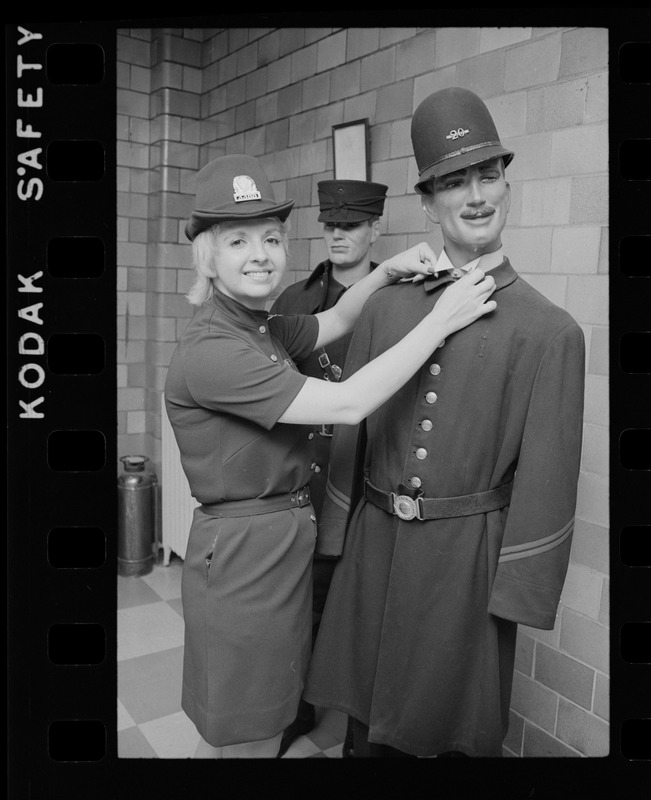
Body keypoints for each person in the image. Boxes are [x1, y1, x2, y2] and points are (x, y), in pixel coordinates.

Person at [163, 153, 498, 758]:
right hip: (243, 562)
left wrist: (388, 269)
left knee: (263, 723)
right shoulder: (212, 350)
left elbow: (340, 317)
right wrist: (441, 321)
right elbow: (347, 404)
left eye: (270, 238)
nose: (260, 254)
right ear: (207, 257)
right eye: (238, 241)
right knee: (249, 736)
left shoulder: (257, 327)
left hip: (278, 547)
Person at [304, 87, 586, 758]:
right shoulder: (385, 309)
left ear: (507, 188)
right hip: (375, 552)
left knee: (449, 737)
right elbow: (354, 432)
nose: (476, 195)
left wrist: (518, 592)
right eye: (454, 183)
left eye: (489, 176)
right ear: (428, 202)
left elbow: (548, 482)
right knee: (364, 733)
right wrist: (338, 533)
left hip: (468, 570)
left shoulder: (550, 332)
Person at [270, 179, 388, 755]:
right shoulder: (294, 300)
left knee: (351, 613)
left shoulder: (396, 299)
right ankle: (293, 723)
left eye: (352, 225)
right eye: (331, 225)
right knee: (297, 612)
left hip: (360, 480)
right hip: (301, 480)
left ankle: (339, 730)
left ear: (375, 229)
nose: (338, 235)